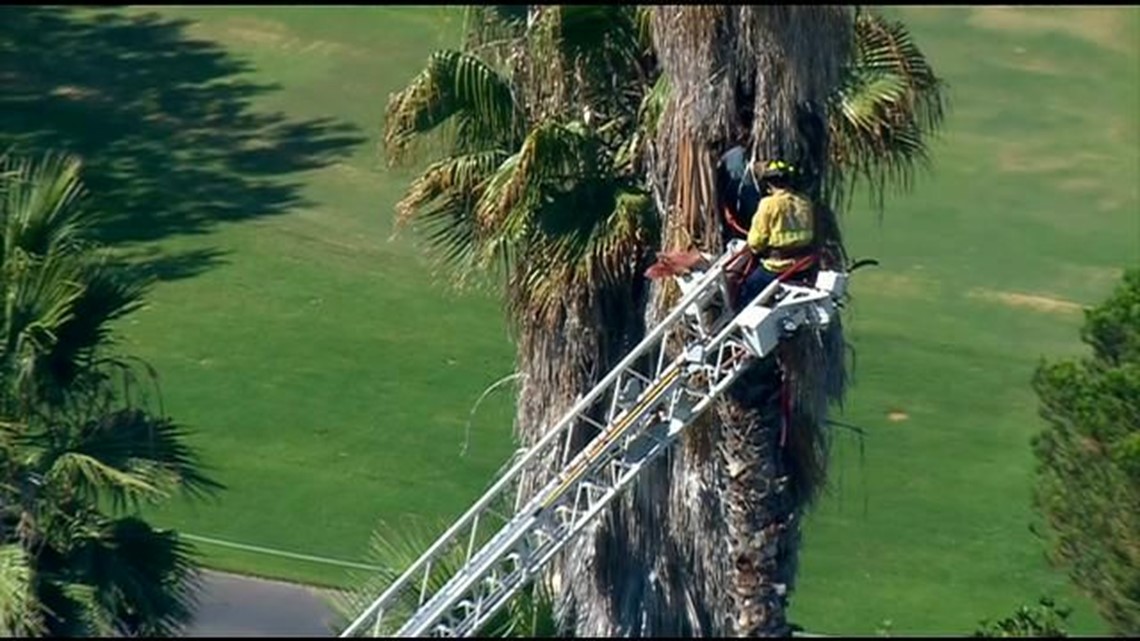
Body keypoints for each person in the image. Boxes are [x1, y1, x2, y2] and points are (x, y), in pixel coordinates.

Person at [737, 160, 817, 309]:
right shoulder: (805, 201)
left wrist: (756, 249)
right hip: (803, 266)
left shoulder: (769, 204)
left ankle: (740, 325)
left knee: (747, 290)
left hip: (777, 267)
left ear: (769, 183)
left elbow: (755, 242)